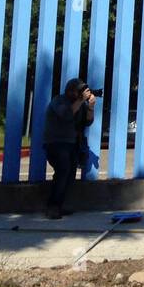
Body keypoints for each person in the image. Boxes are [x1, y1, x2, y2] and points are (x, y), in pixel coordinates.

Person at [43, 78, 96, 219]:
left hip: (71, 144)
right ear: (70, 91)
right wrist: (80, 101)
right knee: (63, 172)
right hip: (56, 143)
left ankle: (59, 205)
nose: (80, 94)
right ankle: (52, 207)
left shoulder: (80, 105)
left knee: (69, 174)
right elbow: (66, 114)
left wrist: (90, 106)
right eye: (78, 91)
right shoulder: (58, 101)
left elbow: (88, 121)